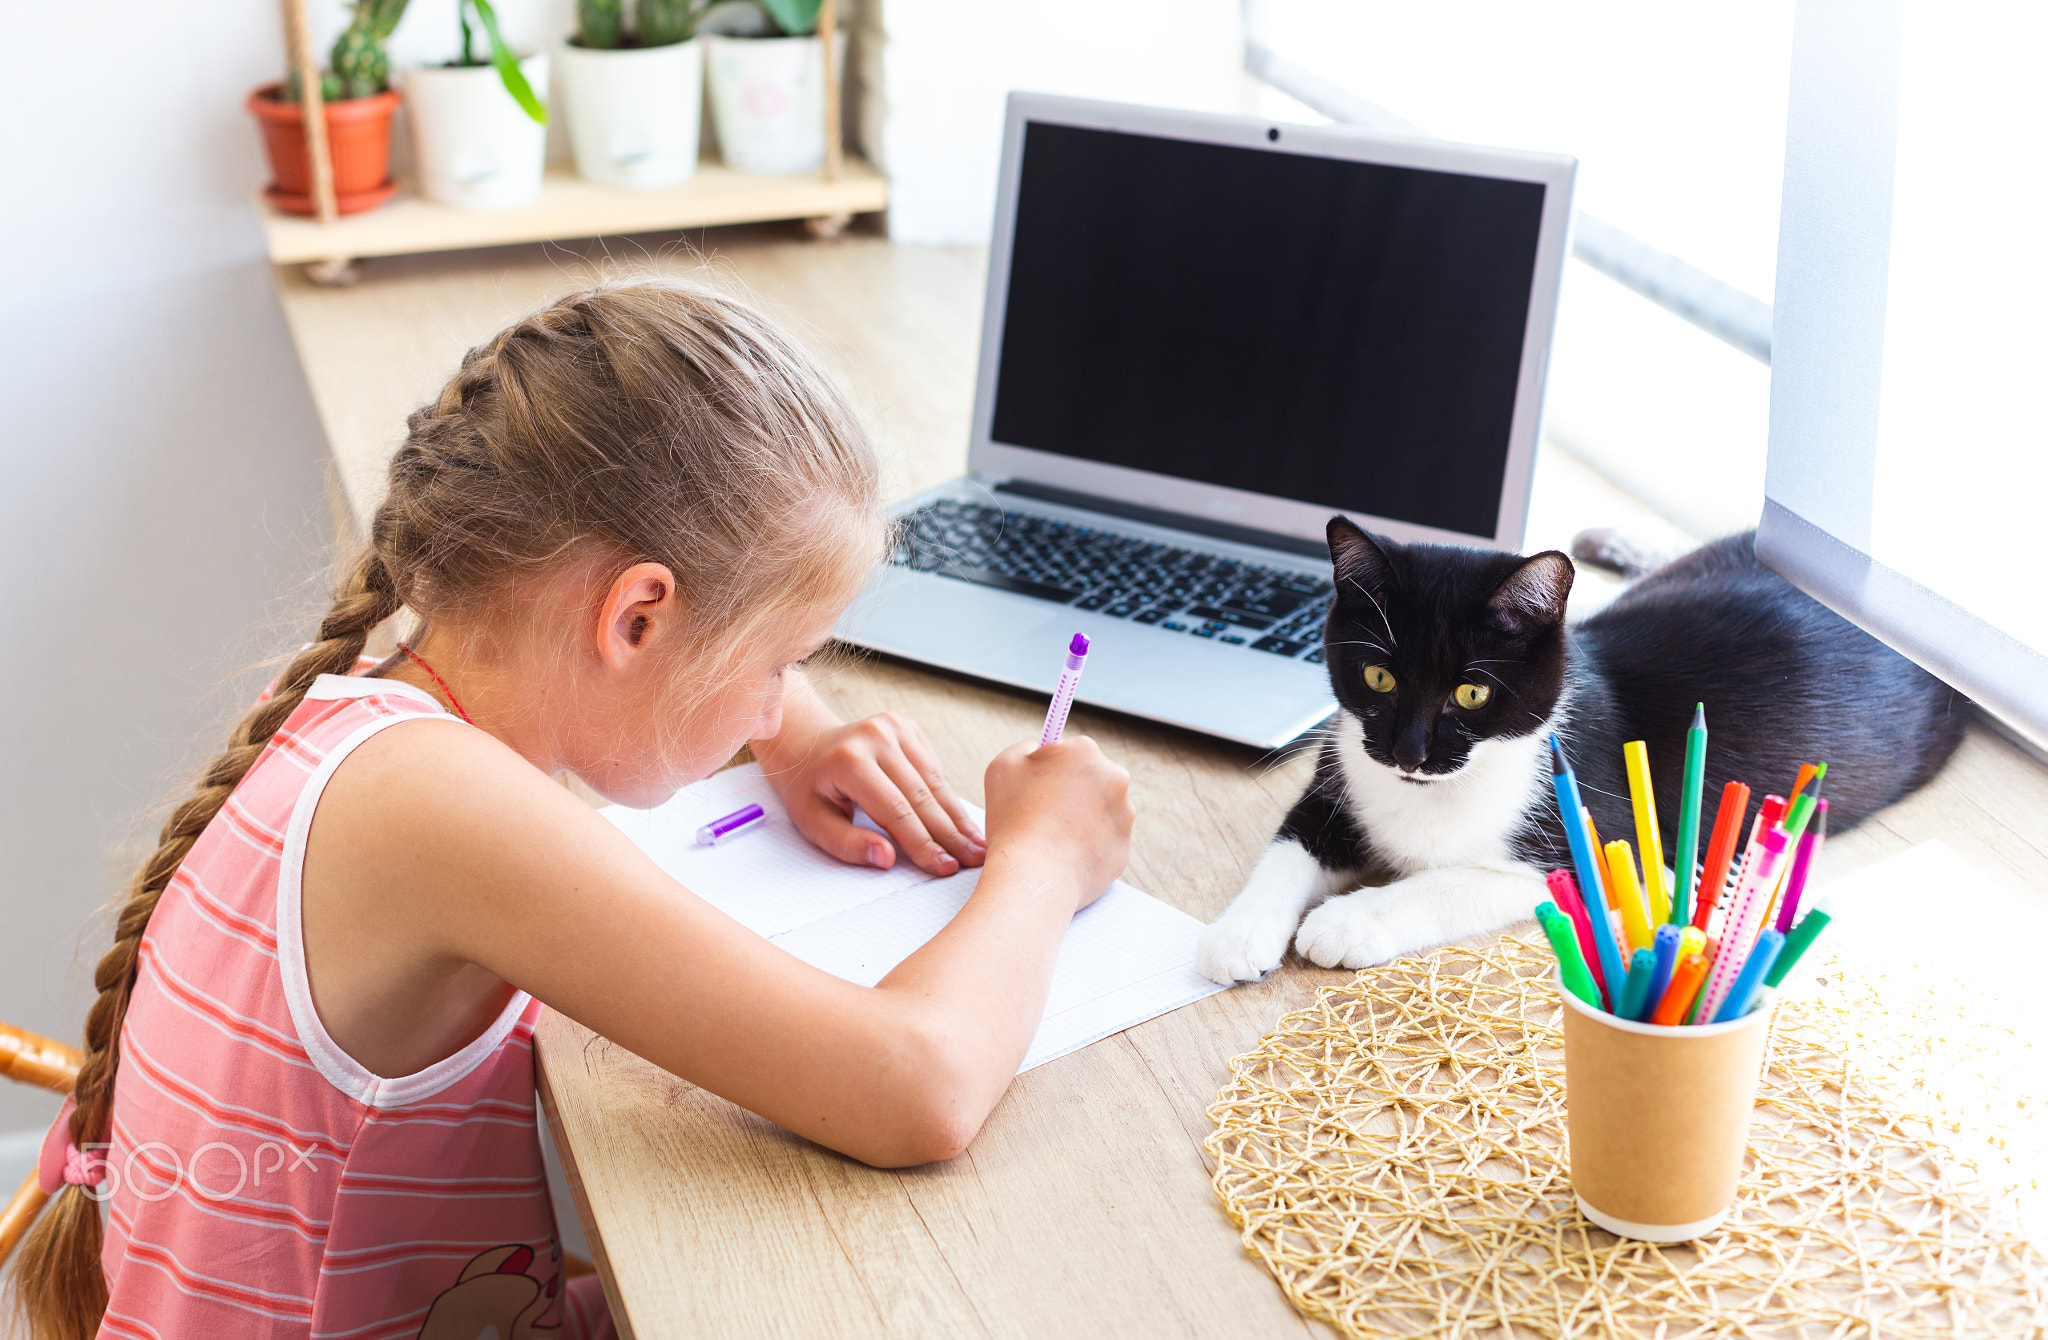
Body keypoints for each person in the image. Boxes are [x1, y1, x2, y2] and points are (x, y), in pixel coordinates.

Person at [10, 281, 1134, 1340]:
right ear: (636, 617)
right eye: (781, 660)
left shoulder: (363, 704)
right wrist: (1039, 855)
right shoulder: (446, 810)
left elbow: (683, 634)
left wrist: (795, 732)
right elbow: (916, 1084)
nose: (773, 706)